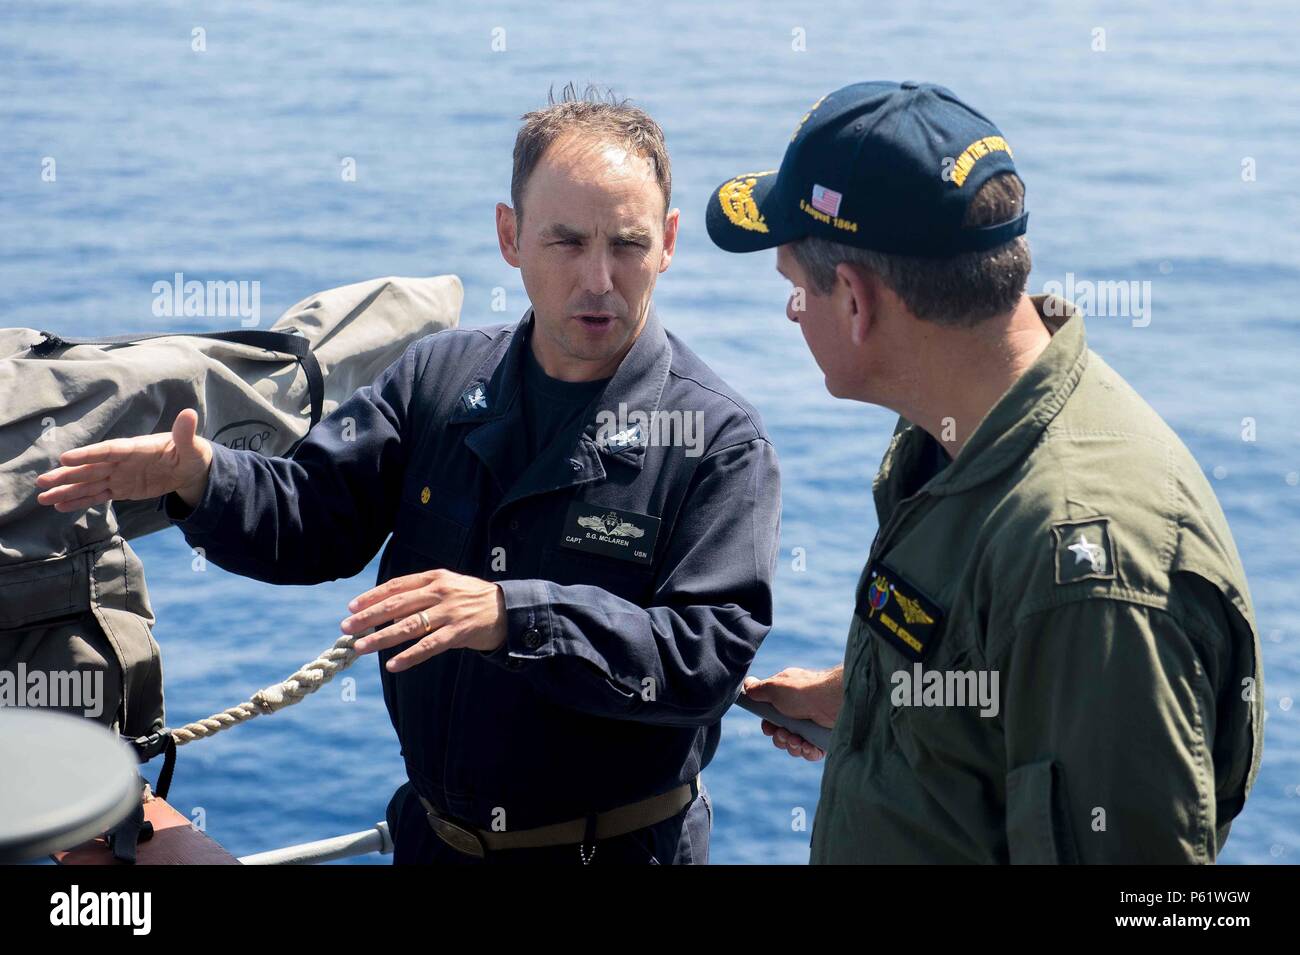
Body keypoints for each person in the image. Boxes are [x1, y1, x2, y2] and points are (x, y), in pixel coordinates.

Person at [35, 84, 781, 865]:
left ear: (667, 242)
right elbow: (315, 519)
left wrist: (514, 616)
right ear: (510, 235)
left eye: (626, 244)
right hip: (436, 845)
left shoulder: (717, 438)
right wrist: (201, 477)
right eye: (567, 242)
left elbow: (704, 658)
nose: (599, 278)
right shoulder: (440, 377)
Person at [709, 81, 1263, 863]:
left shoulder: (1087, 582)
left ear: (858, 303)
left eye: (797, 290)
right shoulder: (961, 428)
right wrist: (881, 697)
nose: (793, 314)